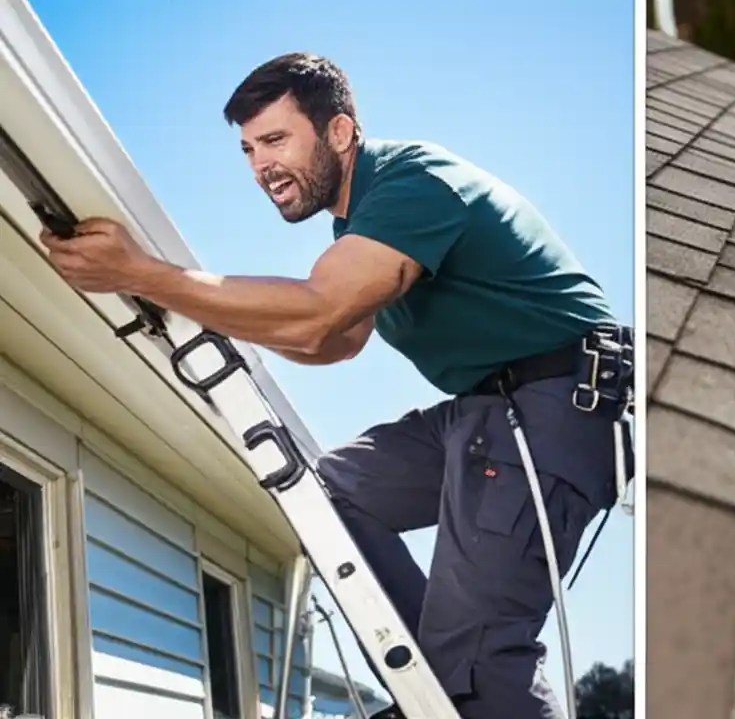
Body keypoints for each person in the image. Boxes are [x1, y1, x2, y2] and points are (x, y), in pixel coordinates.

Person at [39, 52, 632, 719]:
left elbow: (320, 310)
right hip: (487, 412)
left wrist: (143, 274)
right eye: (247, 149)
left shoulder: (413, 184)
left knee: (483, 665)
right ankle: (437, 687)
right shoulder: (359, 223)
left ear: (341, 133)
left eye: (275, 139)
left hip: (556, 404)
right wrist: (183, 307)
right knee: (332, 496)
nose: (260, 166)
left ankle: (461, 680)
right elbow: (328, 341)